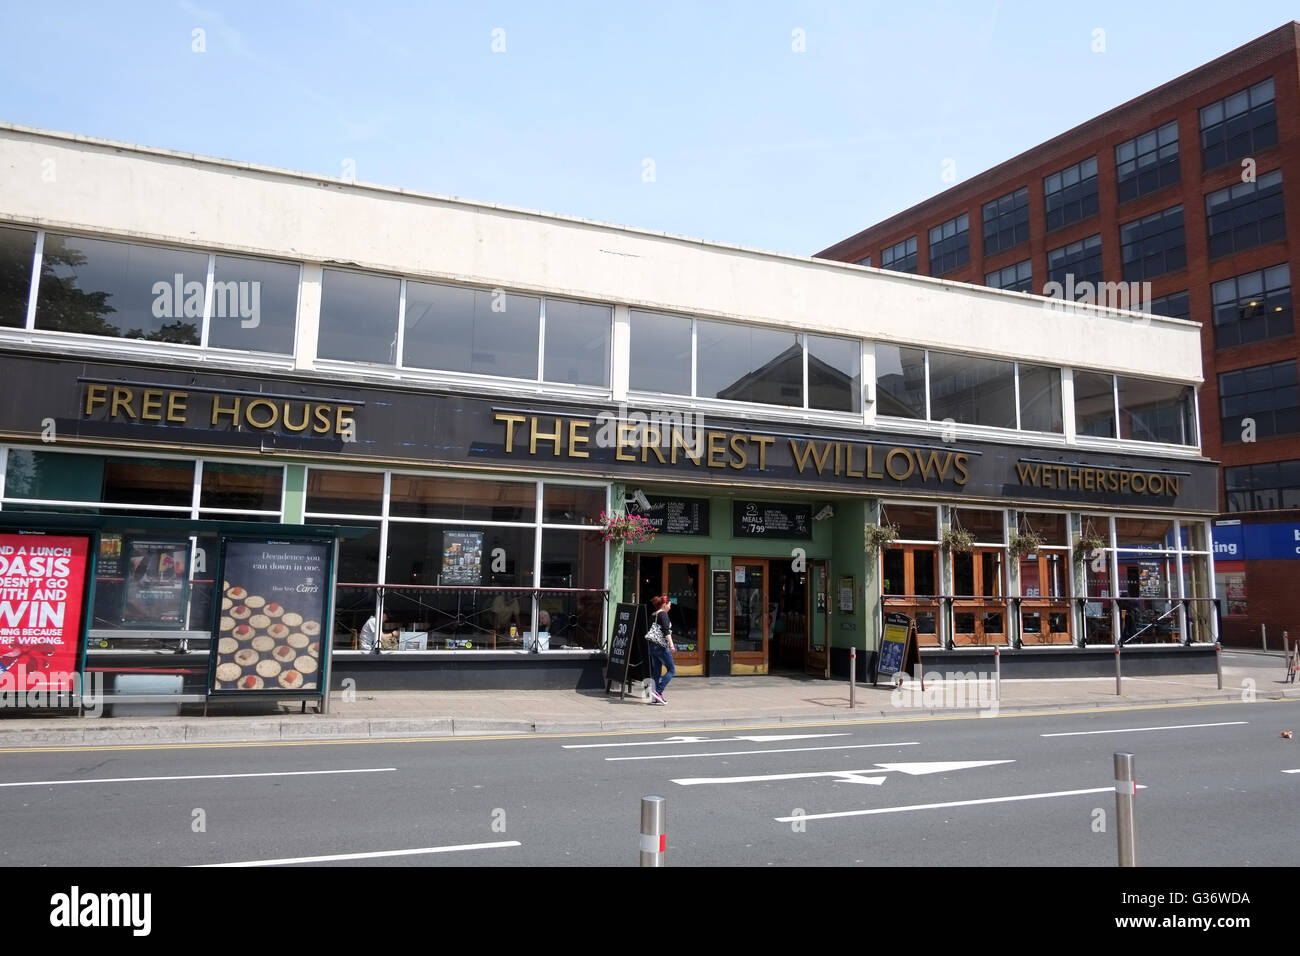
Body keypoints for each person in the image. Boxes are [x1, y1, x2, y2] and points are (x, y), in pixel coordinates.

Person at [645, 595, 675, 704]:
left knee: (656, 672)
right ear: (664, 604)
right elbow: (666, 632)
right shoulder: (663, 614)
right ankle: (658, 691)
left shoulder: (653, 615)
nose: (670, 607)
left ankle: (656, 698)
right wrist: (671, 645)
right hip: (661, 646)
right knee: (671, 670)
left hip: (652, 646)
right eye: (669, 605)